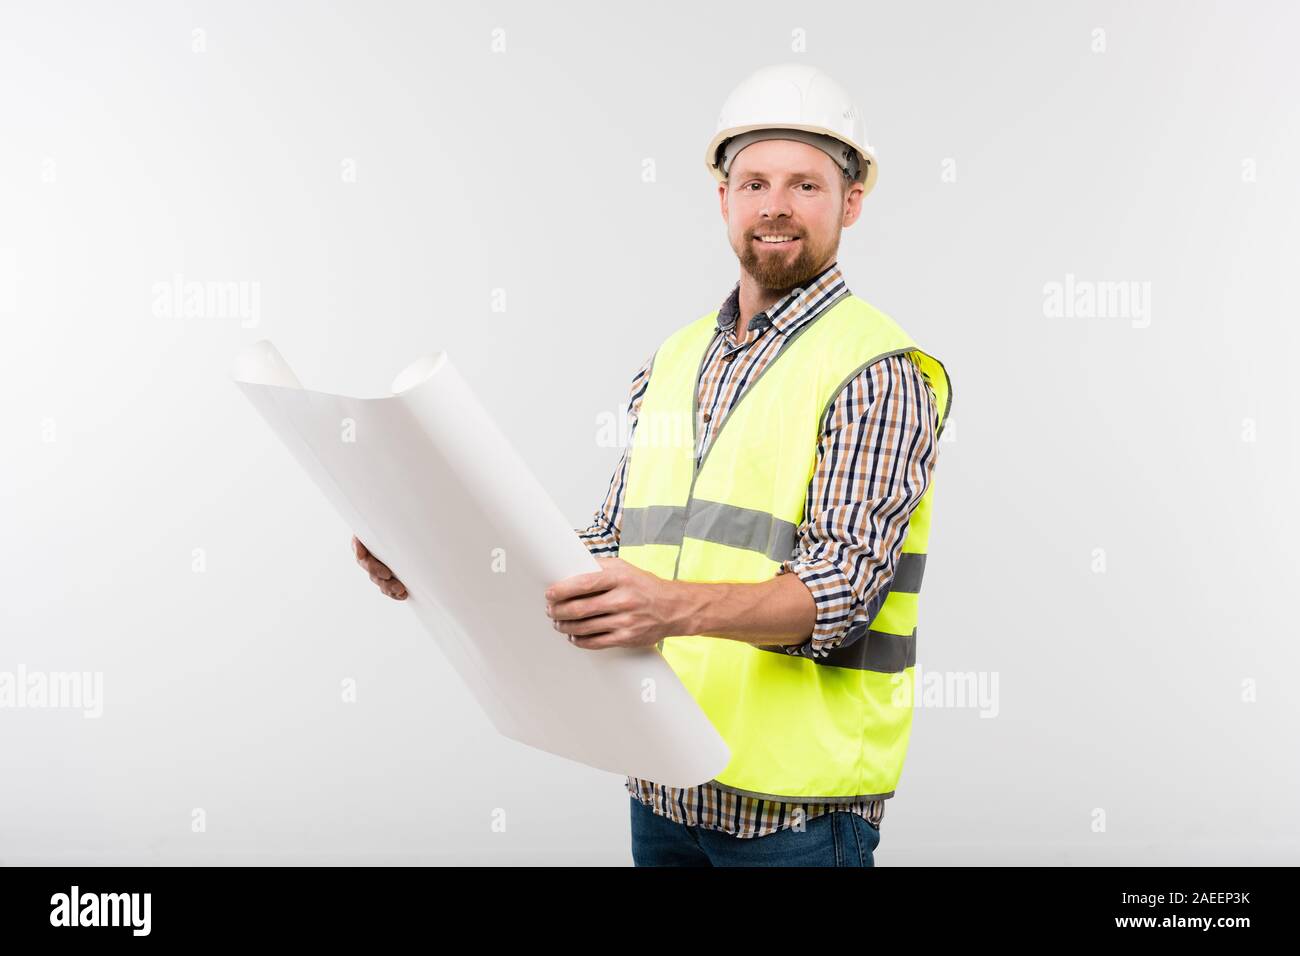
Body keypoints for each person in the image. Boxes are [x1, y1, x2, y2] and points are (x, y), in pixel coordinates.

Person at [354, 63, 952, 867]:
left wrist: (668, 607)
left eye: (806, 185)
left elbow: (841, 593)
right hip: (663, 784)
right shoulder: (670, 363)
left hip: (795, 816)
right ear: (724, 200)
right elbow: (605, 546)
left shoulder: (877, 370)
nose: (775, 205)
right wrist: (433, 560)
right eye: (755, 182)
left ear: (851, 202)